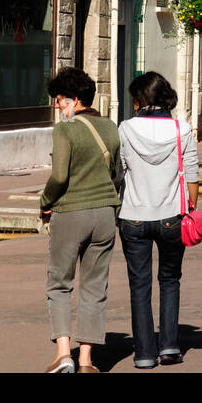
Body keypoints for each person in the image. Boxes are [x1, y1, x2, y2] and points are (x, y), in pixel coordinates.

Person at [39, 67, 121, 374]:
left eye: (60, 100)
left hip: (71, 211)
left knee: (59, 284)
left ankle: (64, 355)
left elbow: (59, 176)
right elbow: (117, 176)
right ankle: (87, 361)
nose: (58, 107)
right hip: (104, 214)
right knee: (94, 287)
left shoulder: (66, 129)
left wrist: (44, 201)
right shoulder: (111, 127)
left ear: (74, 100)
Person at [118, 71, 199, 368]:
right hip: (171, 217)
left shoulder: (125, 129)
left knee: (139, 285)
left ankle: (144, 354)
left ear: (140, 99)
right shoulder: (182, 129)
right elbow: (192, 176)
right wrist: (190, 208)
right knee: (169, 280)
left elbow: (121, 170)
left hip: (133, 216)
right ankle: (168, 346)